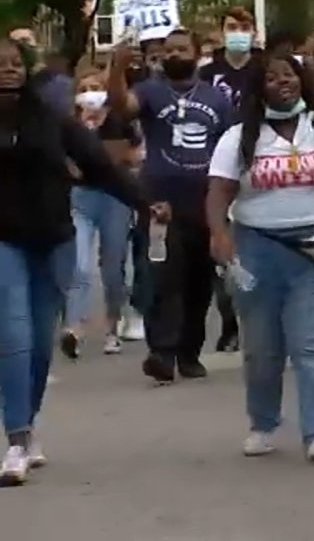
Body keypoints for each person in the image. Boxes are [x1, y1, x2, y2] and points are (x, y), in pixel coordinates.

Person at [206, 53, 314, 465]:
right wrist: (219, 234)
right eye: (273, 78)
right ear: (259, 89)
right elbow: (219, 192)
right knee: (263, 349)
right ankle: (262, 423)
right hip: (258, 250)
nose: (284, 83)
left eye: (290, 75)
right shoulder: (239, 138)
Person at [0, 37, 145, 486]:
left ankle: (28, 421)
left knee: (40, 343)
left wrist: (145, 201)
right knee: (14, 332)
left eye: (14, 63)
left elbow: (99, 164)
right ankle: (17, 440)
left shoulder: (51, 119)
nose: (9, 70)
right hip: (3, 240)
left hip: (52, 238)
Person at [107, 29, 235, 384]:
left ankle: (189, 353)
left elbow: (230, 147)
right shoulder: (150, 91)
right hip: (160, 203)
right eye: (168, 50)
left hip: (205, 203)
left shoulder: (217, 99)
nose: (174, 54)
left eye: (182, 48)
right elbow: (122, 105)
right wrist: (117, 69)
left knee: (198, 280)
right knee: (163, 277)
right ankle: (161, 353)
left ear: (197, 54)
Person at [61, 69, 143, 357]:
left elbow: (136, 154)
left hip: (115, 198)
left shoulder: (120, 121)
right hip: (81, 197)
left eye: (96, 87)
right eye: (84, 88)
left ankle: (113, 326)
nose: (90, 92)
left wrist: (116, 159)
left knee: (113, 268)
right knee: (80, 265)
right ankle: (73, 328)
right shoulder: (69, 124)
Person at [200, 6, 262, 353]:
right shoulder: (208, 74)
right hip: (217, 164)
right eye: (232, 27)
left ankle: (257, 318)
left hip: (256, 163)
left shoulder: (264, 69)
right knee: (220, 248)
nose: (239, 31)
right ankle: (229, 322)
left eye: (245, 26)